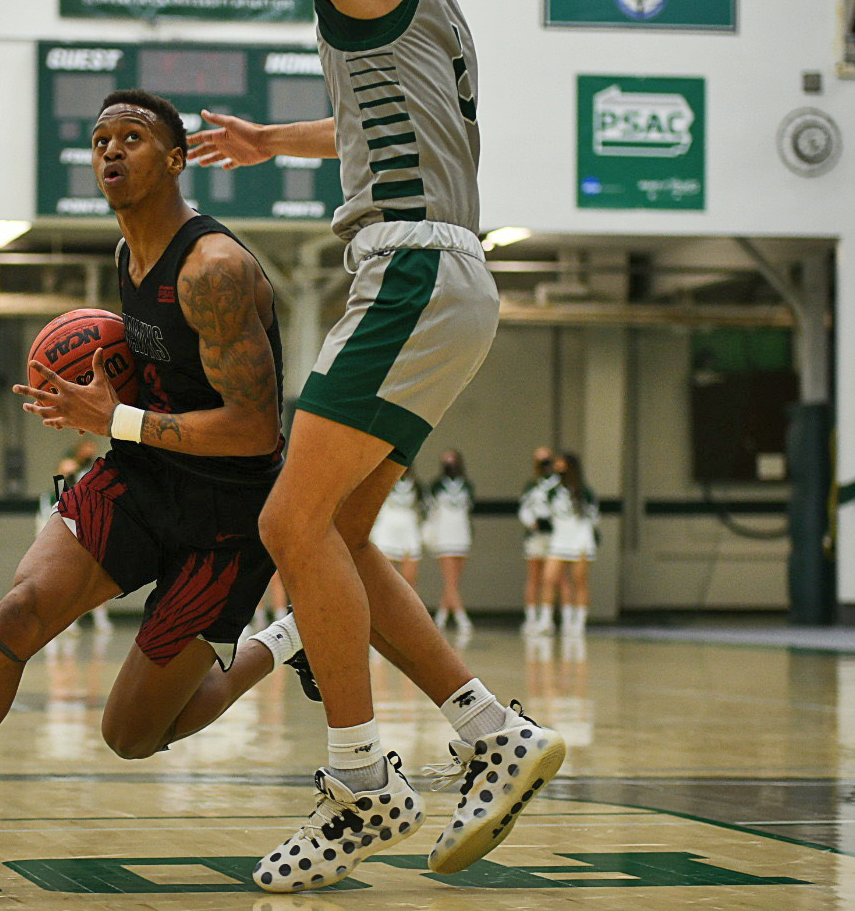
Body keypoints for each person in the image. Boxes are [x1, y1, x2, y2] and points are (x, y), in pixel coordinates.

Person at [0, 90, 318, 900]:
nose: (112, 152)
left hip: (227, 517)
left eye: (135, 138)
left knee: (133, 733)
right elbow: (159, 388)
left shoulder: (215, 270)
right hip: (140, 478)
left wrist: (113, 413)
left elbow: (257, 432)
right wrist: (109, 392)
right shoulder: (128, 256)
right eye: (100, 138)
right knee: (16, 614)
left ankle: (285, 640)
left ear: (178, 158)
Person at [187, 0, 565, 892]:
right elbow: (365, 121)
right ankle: (492, 732)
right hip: (442, 278)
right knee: (340, 535)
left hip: (410, 271)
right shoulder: (428, 18)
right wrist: (273, 141)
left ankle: (361, 783)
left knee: (289, 520)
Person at [37, 439, 114, 634]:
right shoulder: (58, 490)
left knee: (96, 577)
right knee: (63, 579)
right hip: (64, 531)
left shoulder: (92, 473)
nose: (90, 451)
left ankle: (100, 619)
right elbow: (56, 503)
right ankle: (66, 620)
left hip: (88, 532)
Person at [543, 452, 598, 636]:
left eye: (560, 462)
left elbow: (594, 517)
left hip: (580, 539)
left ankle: (578, 623)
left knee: (580, 580)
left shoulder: (585, 491)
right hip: (560, 539)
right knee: (549, 578)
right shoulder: (552, 489)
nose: (557, 466)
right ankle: (546, 621)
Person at [424, 449, 475, 635]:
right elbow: (431, 512)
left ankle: (441, 616)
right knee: (450, 579)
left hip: (462, 534)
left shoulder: (468, 486)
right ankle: (462, 618)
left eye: (452, 459)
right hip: (444, 535)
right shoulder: (435, 486)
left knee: (454, 580)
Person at [518, 447, 558, 634]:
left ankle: (547, 618)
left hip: (555, 537)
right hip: (535, 537)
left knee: (552, 579)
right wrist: (532, 522)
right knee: (533, 577)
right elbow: (524, 509)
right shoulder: (531, 485)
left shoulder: (559, 485)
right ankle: (531, 618)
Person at [368, 464, 423, 594]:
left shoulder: (417, 486)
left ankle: (409, 613)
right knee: (383, 579)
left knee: (409, 581)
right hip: (387, 531)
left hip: (408, 532)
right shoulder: (384, 481)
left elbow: (425, 509)